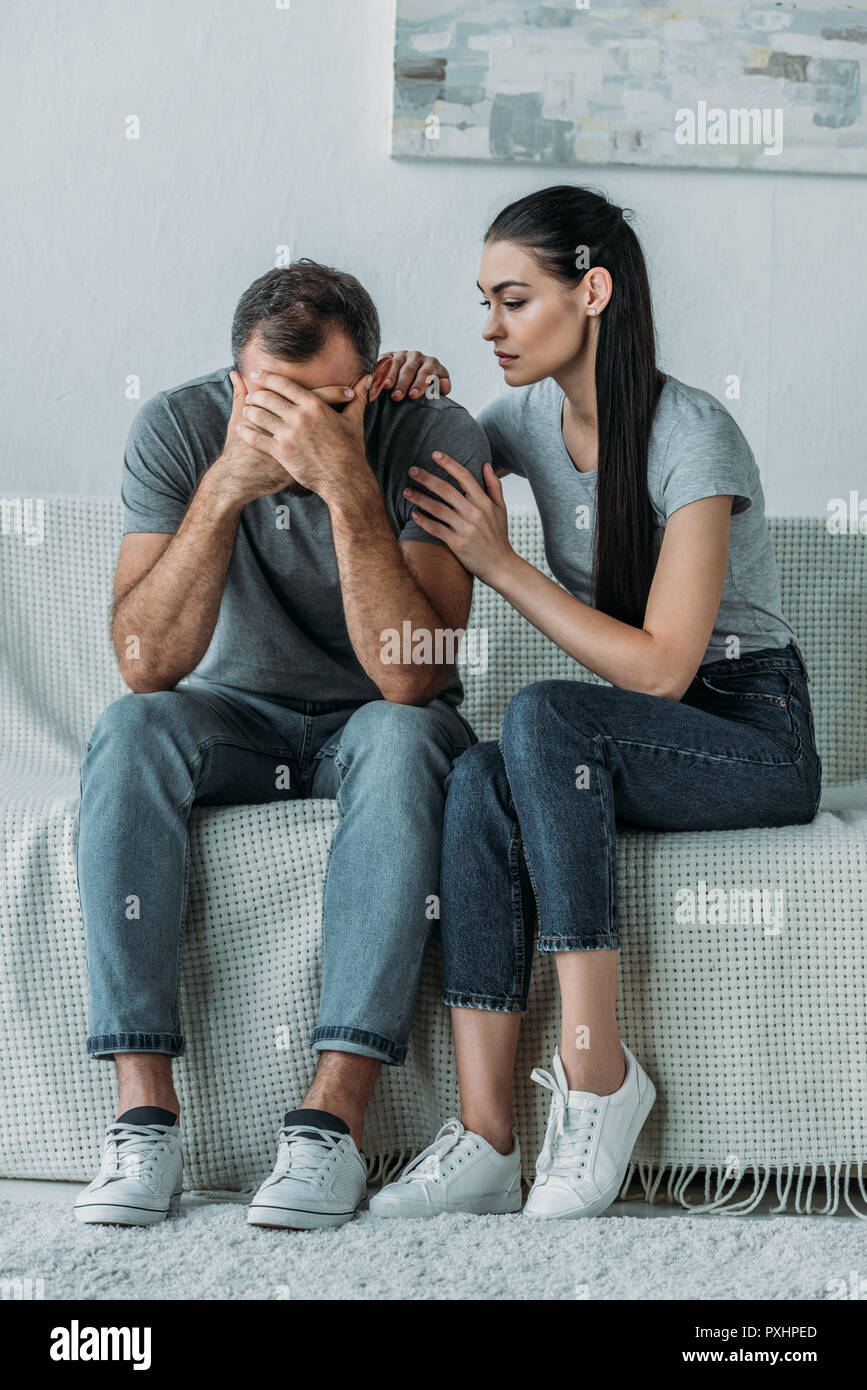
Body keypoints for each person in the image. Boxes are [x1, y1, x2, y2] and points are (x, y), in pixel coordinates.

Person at [369, 185, 822, 1221]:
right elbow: (427, 451)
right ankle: (487, 1136)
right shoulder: (521, 421)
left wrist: (504, 563)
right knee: (482, 774)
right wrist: (410, 394)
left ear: (595, 290)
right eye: (482, 302)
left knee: (542, 716)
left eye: (514, 300)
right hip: (630, 738)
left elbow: (663, 670)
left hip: (750, 734)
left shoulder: (694, 435)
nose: (490, 326)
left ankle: (599, 1074)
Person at [73, 259, 489, 1229]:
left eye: (325, 403)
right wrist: (224, 488)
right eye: (272, 400)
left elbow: (412, 672)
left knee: (400, 736)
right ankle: (143, 1115)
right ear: (234, 383)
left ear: (371, 380)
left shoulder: (429, 430)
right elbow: (146, 660)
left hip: (374, 718)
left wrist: (347, 482)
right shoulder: (177, 430)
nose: (295, 424)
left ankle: (328, 1124)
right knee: (130, 726)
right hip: (236, 717)